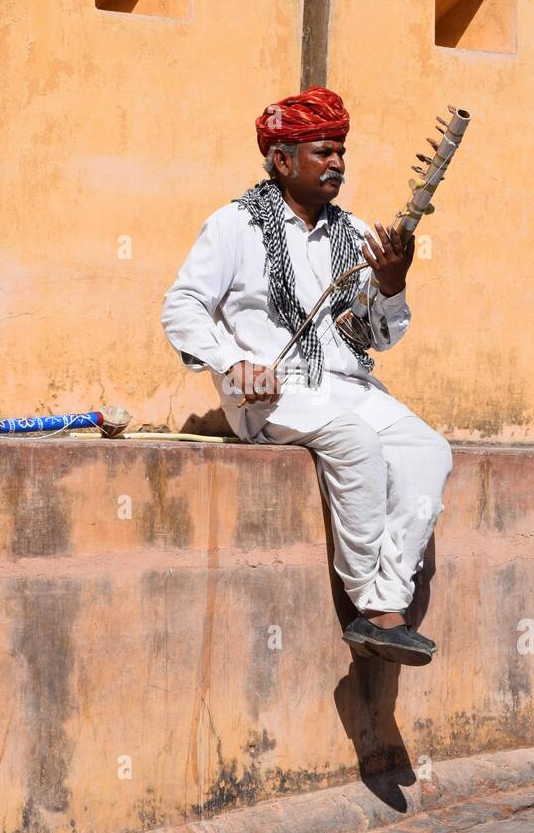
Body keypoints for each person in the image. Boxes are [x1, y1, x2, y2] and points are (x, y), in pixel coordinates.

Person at [161, 86, 452, 663]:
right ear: (283, 160)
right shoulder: (234, 225)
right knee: (355, 442)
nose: (338, 163)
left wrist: (392, 286)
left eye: (342, 151)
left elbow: (380, 337)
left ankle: (388, 601)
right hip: (272, 392)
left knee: (428, 449)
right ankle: (375, 606)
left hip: (345, 384)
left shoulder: (354, 234)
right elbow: (182, 306)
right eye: (324, 151)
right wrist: (231, 360)